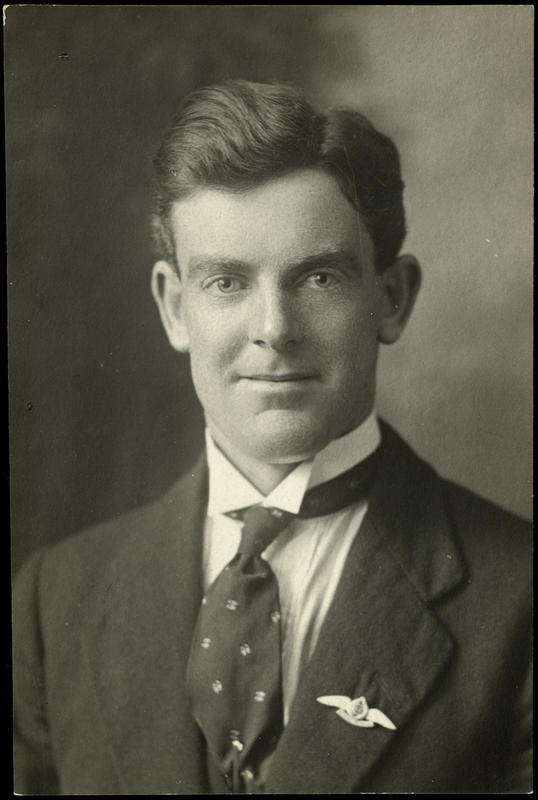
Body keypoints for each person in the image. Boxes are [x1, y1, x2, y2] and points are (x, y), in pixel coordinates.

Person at [13, 80, 532, 795]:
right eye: (226, 282)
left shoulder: (518, 600)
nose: (273, 330)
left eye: (318, 277)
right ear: (174, 307)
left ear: (391, 298)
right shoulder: (56, 601)